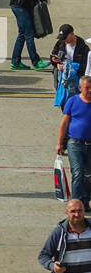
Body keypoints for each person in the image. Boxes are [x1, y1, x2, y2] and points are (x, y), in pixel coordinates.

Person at [57, 75, 91, 211]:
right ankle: (76, 205)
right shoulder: (72, 101)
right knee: (77, 174)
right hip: (74, 143)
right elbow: (64, 123)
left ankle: (85, 201)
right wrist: (59, 143)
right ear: (80, 88)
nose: (89, 91)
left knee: (88, 176)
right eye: (87, 88)